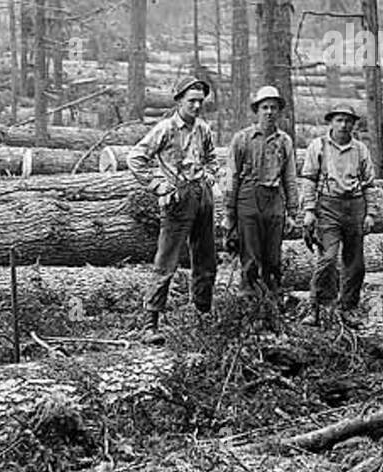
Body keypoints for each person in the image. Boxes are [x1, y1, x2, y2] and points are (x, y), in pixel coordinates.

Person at [127, 77, 219, 343]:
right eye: (191, 101)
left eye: (200, 101)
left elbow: (212, 158)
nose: (196, 106)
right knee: (166, 261)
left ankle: (202, 317)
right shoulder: (166, 129)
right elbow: (136, 157)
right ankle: (150, 324)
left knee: (205, 259)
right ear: (179, 101)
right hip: (177, 199)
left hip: (202, 196)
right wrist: (158, 185)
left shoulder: (203, 129)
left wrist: (211, 175)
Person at [300, 105, 375, 328]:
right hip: (328, 206)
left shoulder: (360, 149)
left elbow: (369, 183)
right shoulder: (319, 146)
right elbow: (309, 178)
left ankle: (348, 308)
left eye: (348, 121)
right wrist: (309, 211)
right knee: (328, 258)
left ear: (354, 124)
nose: (343, 125)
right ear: (331, 122)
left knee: (356, 263)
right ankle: (316, 307)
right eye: (339, 120)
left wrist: (370, 213)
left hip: (355, 206)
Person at [225, 84, 299, 308]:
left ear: (279, 111)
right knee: (250, 256)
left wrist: (293, 212)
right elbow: (232, 176)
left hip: (274, 200)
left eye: (273, 107)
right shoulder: (242, 139)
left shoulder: (284, 141)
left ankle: (272, 305)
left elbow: (290, 178)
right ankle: (249, 305)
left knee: (273, 257)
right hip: (248, 197)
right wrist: (229, 213)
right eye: (264, 107)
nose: (269, 112)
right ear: (257, 110)